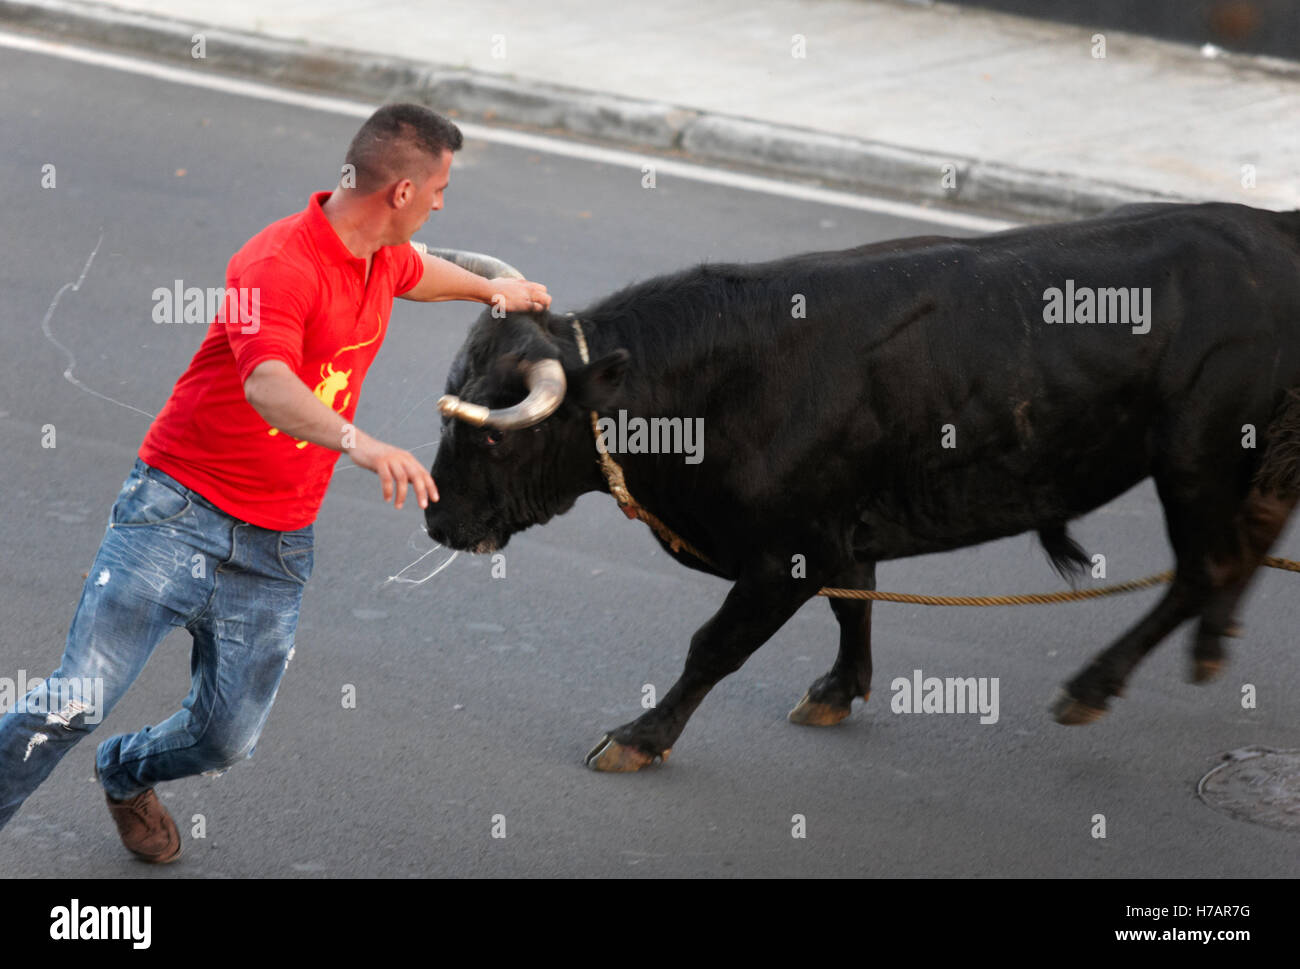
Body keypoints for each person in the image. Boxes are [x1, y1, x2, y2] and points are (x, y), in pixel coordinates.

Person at [0, 102, 550, 861]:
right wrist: (359, 441)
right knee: (74, 700)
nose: (441, 203)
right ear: (400, 194)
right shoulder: (278, 263)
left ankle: (125, 772)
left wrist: (496, 292)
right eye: (438, 189)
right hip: (175, 511)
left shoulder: (380, 254)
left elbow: (419, 272)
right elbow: (267, 383)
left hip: (275, 545)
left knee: (226, 739)